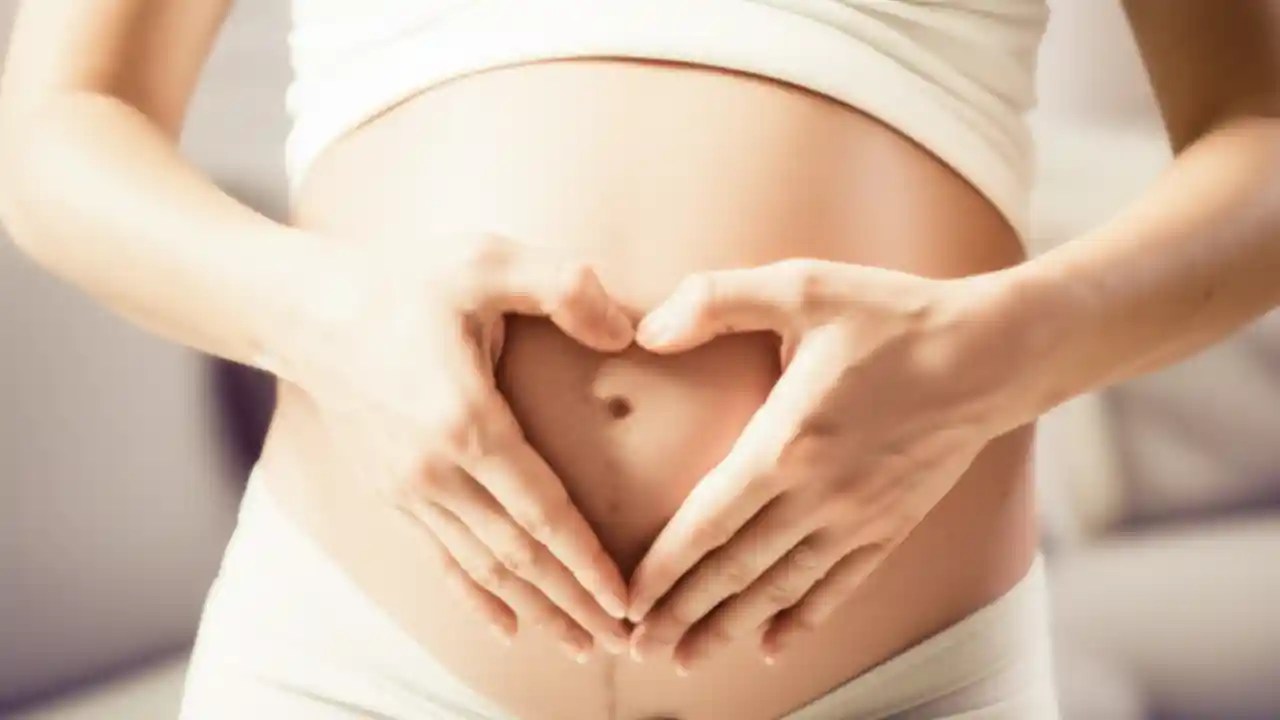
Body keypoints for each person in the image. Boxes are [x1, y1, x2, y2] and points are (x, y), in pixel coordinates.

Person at [2, 1, 1277, 718]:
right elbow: (56, 129)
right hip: (351, 659)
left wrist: (993, 358)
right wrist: (324, 316)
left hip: (902, 676)